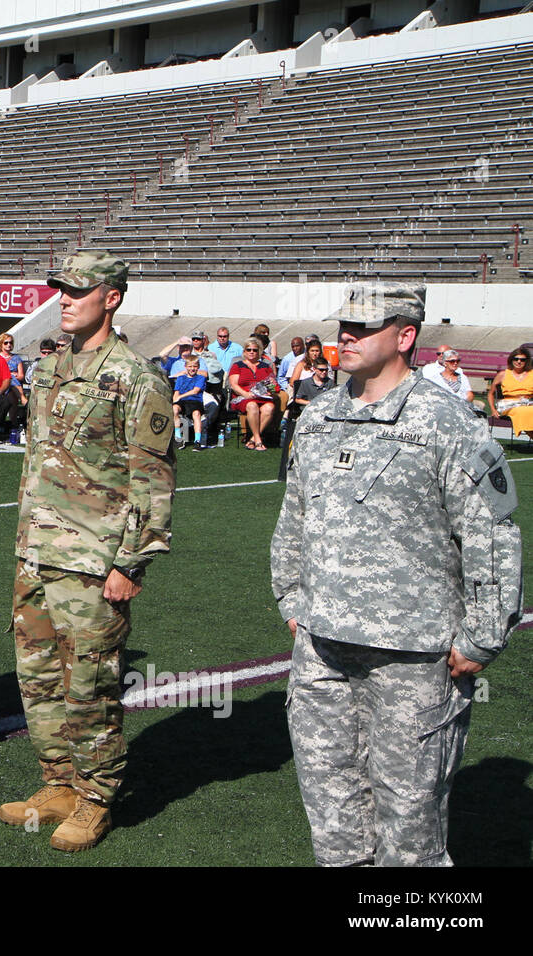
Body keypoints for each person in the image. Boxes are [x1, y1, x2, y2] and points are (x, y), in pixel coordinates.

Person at [272, 281, 522, 866]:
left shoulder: (449, 422)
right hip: (323, 649)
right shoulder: (320, 416)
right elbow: (294, 516)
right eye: (344, 328)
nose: (347, 338)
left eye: (365, 328)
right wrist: (290, 597)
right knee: (332, 815)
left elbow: (492, 531)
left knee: (410, 826)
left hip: (414, 655)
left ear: (406, 336)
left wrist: (484, 632)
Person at [2, 252, 175, 853]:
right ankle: (58, 782)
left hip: (94, 561)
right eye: (60, 290)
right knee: (38, 677)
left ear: (112, 298)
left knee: (91, 686)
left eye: (78, 290)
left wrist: (131, 563)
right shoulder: (49, 370)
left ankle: (97, 797)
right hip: (37, 550)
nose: (65, 299)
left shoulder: (135, 377)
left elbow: (151, 479)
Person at [228, 336, 278, 450]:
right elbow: (233, 385)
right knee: (252, 405)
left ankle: (252, 439)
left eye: (255, 350)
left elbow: (272, 384)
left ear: (259, 351)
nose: (252, 352)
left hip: (262, 397)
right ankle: (258, 440)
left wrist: (271, 390)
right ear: (244, 351)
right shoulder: (238, 366)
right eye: (248, 349)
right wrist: (245, 394)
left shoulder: (265, 366)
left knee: (269, 408)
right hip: (242, 397)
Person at [487, 347, 533, 437]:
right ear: (511, 360)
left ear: (526, 361)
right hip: (509, 405)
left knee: (528, 410)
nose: (519, 362)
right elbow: (490, 393)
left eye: (522, 360)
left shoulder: (531, 374)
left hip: (527, 403)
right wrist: (493, 409)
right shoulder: (503, 374)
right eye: (516, 359)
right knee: (522, 412)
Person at [172, 355, 207, 450]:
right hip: (183, 402)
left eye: (195, 366)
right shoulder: (180, 378)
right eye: (190, 366)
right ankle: (178, 437)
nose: (192, 369)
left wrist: (180, 396)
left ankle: (197, 441)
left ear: (198, 367)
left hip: (195, 400)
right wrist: (175, 399)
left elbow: (195, 391)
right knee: (174, 409)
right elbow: (176, 393)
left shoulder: (200, 378)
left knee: (196, 414)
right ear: (186, 367)